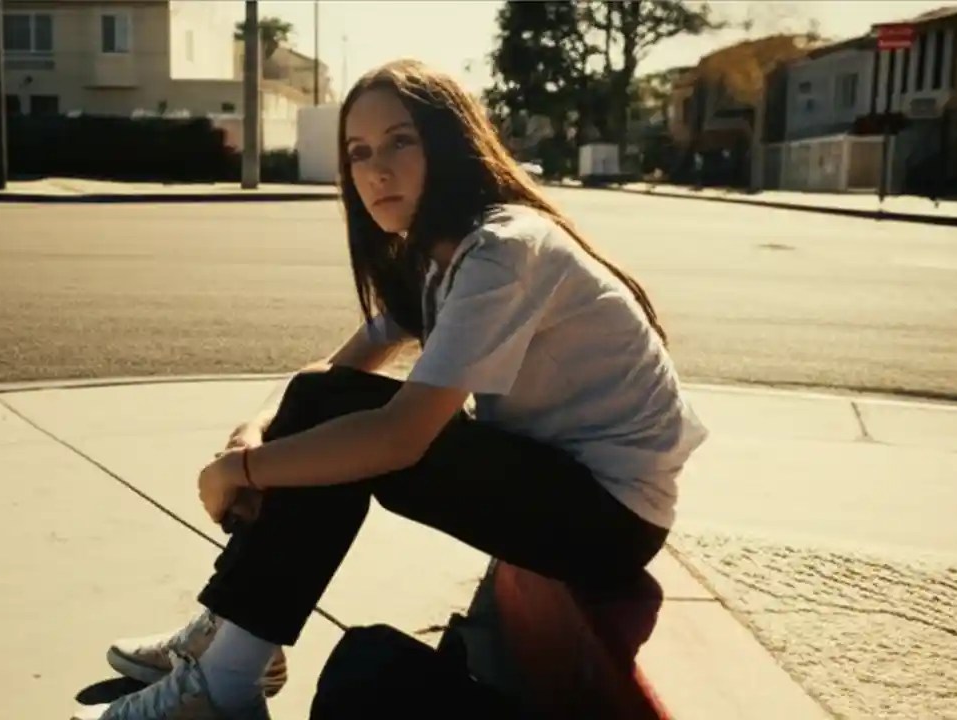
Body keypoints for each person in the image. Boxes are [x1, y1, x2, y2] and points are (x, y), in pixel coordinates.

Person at [72, 58, 708, 720]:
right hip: (563, 484)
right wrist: (252, 433)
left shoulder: (502, 250)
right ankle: (227, 638)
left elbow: (399, 437)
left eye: (401, 142)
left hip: (609, 520)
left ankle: (225, 679)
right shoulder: (437, 254)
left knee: (347, 421)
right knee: (325, 399)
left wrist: (242, 471)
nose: (377, 170)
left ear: (450, 144)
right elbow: (332, 371)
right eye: (359, 152)